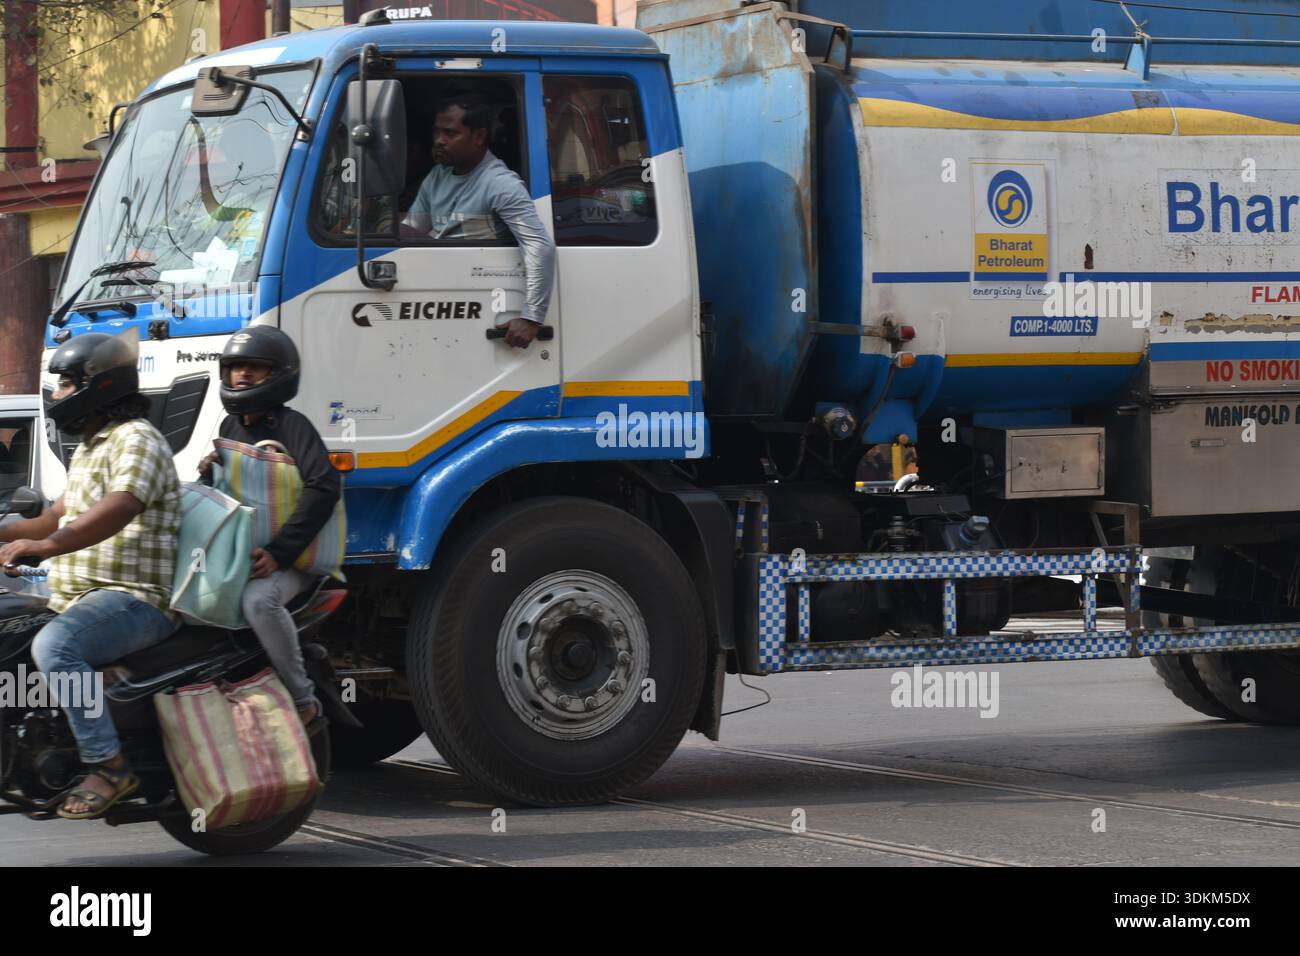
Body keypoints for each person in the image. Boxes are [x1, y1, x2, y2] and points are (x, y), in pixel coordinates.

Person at [0, 331, 182, 819]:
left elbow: (119, 508)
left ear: (97, 385)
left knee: (55, 647)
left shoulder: (138, 440)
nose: (56, 396)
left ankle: (110, 766)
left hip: (134, 600)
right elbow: (53, 517)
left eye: (63, 384)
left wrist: (45, 546)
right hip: (79, 599)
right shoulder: (88, 448)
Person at [199, 326, 341, 726]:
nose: (242, 375)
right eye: (235, 367)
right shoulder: (230, 428)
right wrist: (210, 473)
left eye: (255, 369)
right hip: (242, 556)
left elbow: (324, 485)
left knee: (258, 603)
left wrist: (280, 553)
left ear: (277, 375)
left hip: (290, 563)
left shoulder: (292, 426)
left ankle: (302, 698)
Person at [400, 94, 556, 349]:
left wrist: (531, 316)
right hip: (440, 294)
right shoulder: (437, 176)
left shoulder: (500, 184)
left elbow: (539, 245)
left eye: (450, 133)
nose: (439, 140)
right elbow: (413, 230)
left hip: (480, 298)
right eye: (437, 132)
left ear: (479, 137)